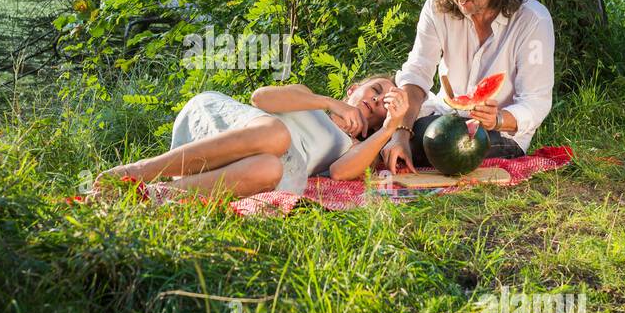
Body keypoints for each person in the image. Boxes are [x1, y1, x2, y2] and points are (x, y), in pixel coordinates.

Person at [382, 0, 555, 173]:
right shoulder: (436, 9)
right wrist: (400, 133)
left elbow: (536, 102)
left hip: (500, 134)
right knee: (403, 132)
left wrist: (497, 118)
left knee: (448, 144)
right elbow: (417, 73)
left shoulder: (532, 20)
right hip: (441, 119)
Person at [96, 76, 411, 198]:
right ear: (353, 88)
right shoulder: (308, 96)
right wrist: (327, 102)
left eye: (383, 108)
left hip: (233, 169)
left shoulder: (353, 149)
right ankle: (136, 171)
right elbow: (261, 98)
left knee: (271, 170)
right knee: (277, 134)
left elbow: (341, 173)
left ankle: (152, 194)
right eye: (376, 89)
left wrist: (388, 129)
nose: (376, 102)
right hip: (216, 126)